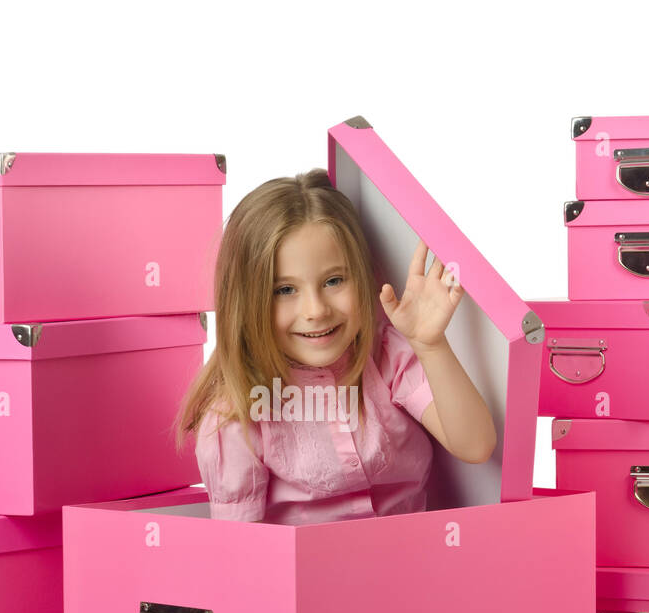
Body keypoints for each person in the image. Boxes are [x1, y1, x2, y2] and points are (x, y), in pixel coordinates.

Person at [178, 168, 496, 524]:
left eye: (333, 280)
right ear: (246, 302)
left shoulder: (386, 357)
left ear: (361, 275)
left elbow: (475, 445)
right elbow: (241, 552)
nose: (315, 311)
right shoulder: (235, 414)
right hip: (301, 578)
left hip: (410, 567)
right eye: (285, 290)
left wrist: (430, 345)